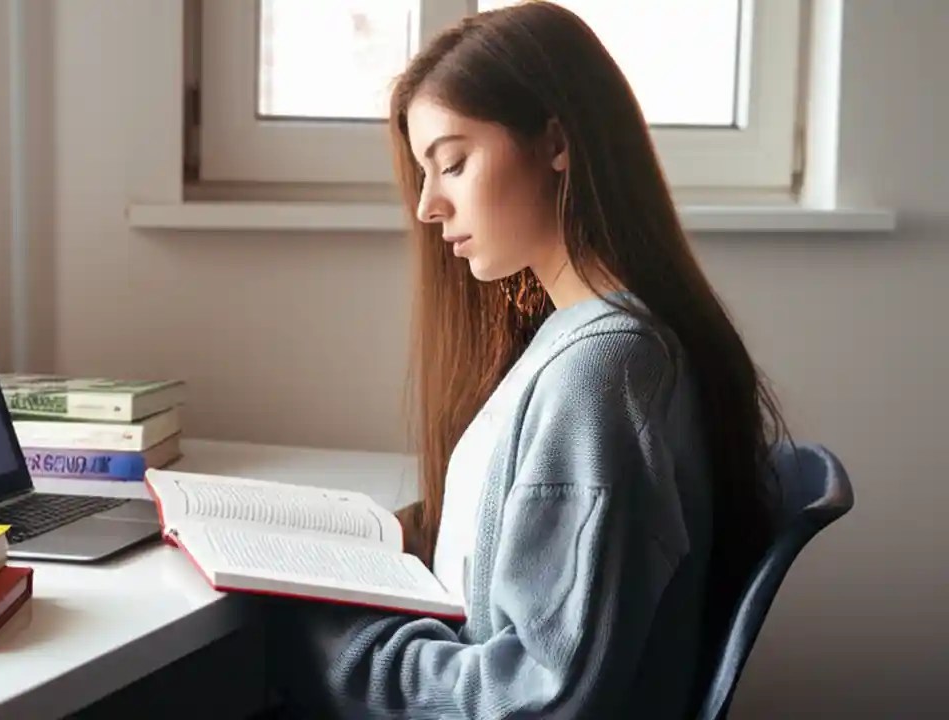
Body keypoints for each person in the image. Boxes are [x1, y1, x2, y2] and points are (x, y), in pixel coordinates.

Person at [262, 2, 790, 718]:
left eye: (452, 163)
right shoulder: (586, 337)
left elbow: (539, 695)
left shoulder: (603, 372)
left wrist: (339, 637)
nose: (427, 205)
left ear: (556, 143)